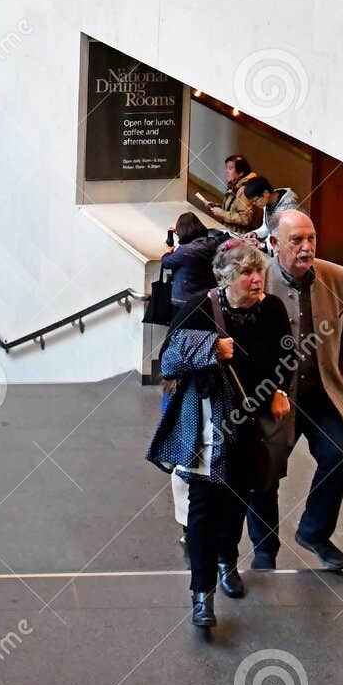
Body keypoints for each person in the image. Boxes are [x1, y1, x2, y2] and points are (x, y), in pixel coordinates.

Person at [147, 240, 291, 630]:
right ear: (226, 277)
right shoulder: (200, 307)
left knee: (238, 501)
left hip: (252, 426)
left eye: (258, 270)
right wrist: (211, 347)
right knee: (203, 511)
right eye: (246, 273)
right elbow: (168, 360)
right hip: (210, 428)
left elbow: (286, 355)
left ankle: (228, 560)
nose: (256, 278)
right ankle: (201, 594)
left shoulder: (272, 310)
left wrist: (278, 389)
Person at [246, 211, 343, 572]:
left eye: (311, 238)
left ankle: (314, 532)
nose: (306, 247)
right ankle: (264, 550)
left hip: (322, 392)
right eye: (296, 240)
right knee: (265, 472)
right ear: (274, 244)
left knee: (340, 455)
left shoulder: (336, 277)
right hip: (273, 394)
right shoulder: (257, 281)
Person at [159, 213, 222, 304]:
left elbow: (166, 263)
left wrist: (167, 252)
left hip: (185, 300)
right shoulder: (212, 245)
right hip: (207, 298)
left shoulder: (185, 251)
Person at [196, 154, 263, 233]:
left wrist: (222, 213)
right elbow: (234, 208)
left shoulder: (243, 190)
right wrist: (216, 206)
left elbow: (245, 219)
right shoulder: (235, 185)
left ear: (241, 172)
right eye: (226, 168)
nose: (226, 171)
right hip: (228, 229)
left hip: (236, 234)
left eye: (230, 168)